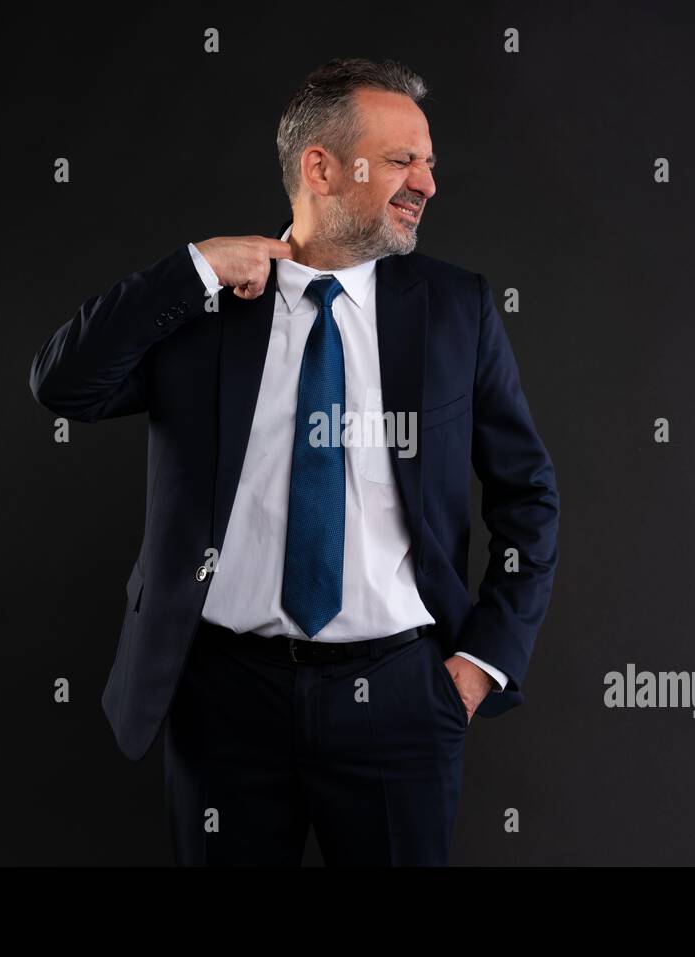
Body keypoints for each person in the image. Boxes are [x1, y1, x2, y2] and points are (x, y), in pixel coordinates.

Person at [28, 57, 559, 865]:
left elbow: (529, 493)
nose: (427, 182)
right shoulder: (207, 309)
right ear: (320, 167)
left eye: (429, 162)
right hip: (225, 699)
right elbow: (64, 385)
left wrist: (479, 666)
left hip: (401, 700)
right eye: (400, 161)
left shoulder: (455, 308)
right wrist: (194, 267)